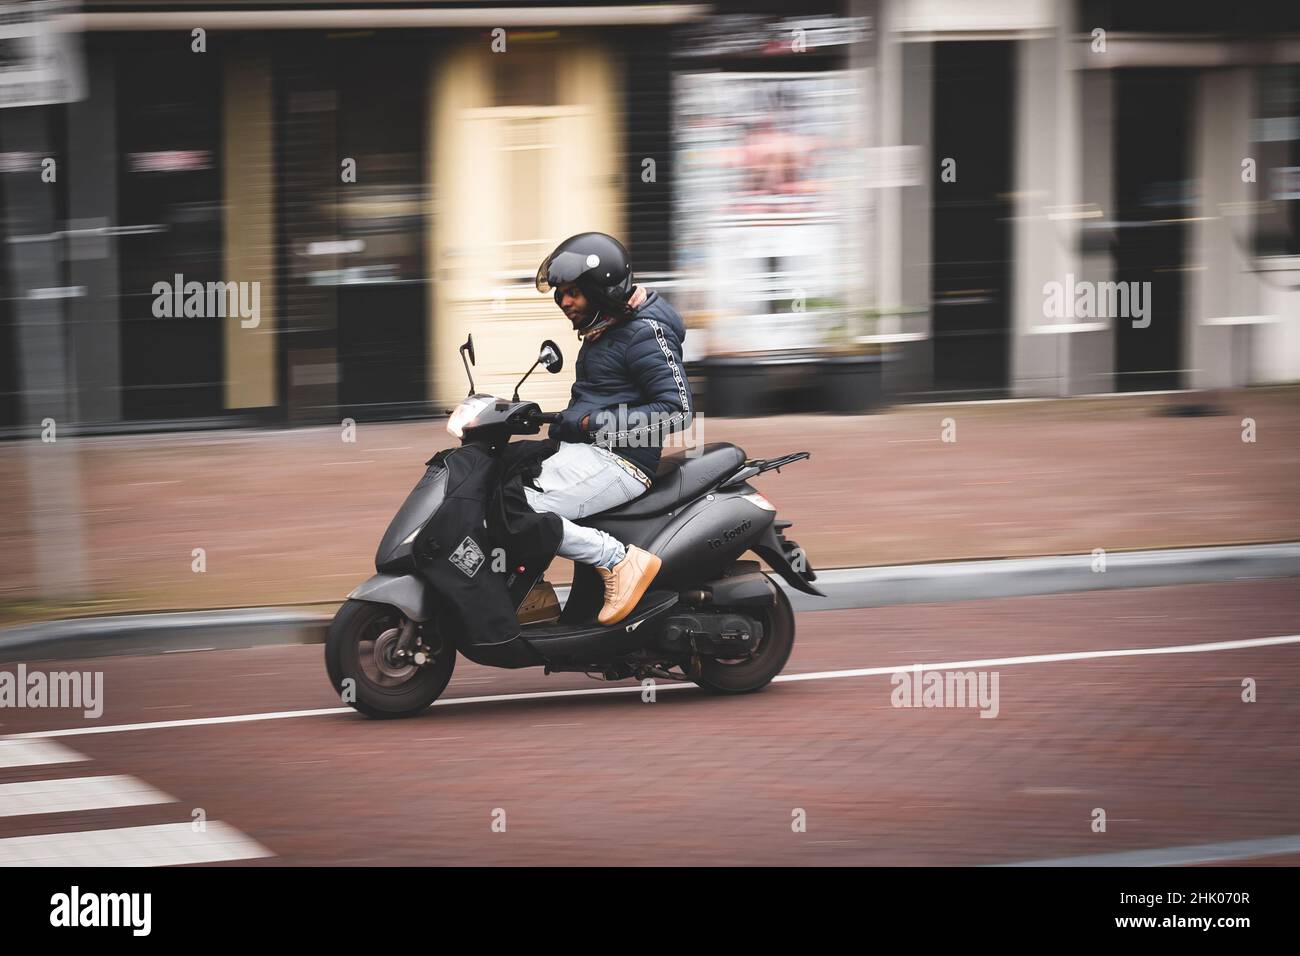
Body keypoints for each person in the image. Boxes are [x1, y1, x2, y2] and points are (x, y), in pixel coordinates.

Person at [529, 232, 693, 625]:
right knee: (500, 484)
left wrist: (589, 423)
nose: (564, 301)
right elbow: (605, 394)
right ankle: (527, 593)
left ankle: (620, 562)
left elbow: (677, 411)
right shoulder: (607, 327)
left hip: (622, 462)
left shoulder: (643, 333)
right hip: (592, 452)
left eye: (573, 292)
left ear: (602, 291)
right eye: (561, 293)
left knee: (523, 509)